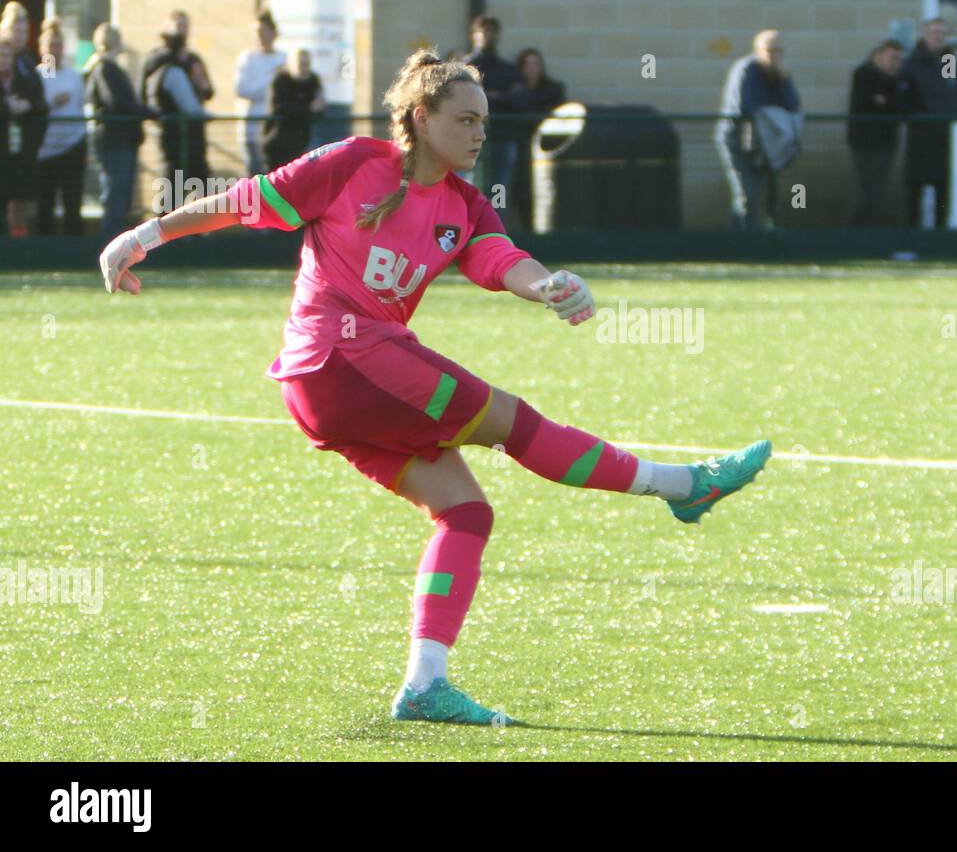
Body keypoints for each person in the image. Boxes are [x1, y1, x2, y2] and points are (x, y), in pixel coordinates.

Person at [98, 48, 772, 727]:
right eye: (466, 119)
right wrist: (143, 235)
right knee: (517, 425)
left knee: (465, 513)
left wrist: (547, 284)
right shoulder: (353, 162)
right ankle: (685, 486)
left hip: (331, 391)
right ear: (421, 118)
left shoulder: (464, 204)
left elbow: (498, 259)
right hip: (341, 357)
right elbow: (244, 202)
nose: (480, 133)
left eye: (484, 121)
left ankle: (425, 684)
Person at [715, 29, 800, 231]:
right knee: (746, 192)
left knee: (757, 191)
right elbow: (747, 105)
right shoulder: (747, 69)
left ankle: (745, 236)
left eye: (778, 50)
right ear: (758, 50)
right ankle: (743, 241)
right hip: (736, 136)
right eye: (769, 50)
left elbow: (792, 105)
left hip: (763, 140)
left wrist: (784, 81)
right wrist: (771, 110)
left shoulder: (780, 72)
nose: (774, 55)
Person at [84, 23, 154, 239]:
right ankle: (110, 245)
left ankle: (114, 244)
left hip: (120, 141)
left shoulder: (106, 68)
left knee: (119, 197)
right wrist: (149, 112)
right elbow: (118, 102)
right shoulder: (105, 68)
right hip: (115, 142)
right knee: (116, 196)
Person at [899, 18, 957, 230]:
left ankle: (940, 232)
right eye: (933, 32)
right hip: (921, 135)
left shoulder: (948, 60)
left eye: (941, 33)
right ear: (924, 34)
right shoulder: (913, 62)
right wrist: (919, 116)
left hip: (945, 135)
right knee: (915, 186)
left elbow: (954, 91)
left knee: (943, 186)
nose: (937, 36)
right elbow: (905, 98)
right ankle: (913, 233)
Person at [463, 15, 524, 232]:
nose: (488, 36)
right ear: (474, 35)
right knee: (468, 186)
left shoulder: (508, 69)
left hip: (501, 138)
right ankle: (466, 232)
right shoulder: (465, 68)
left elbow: (518, 98)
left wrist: (488, 95)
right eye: (484, 31)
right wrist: (498, 96)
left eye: (492, 31)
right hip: (470, 141)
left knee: (499, 188)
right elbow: (463, 98)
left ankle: (495, 232)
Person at [141, 11, 211, 190]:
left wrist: (202, 84)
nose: (182, 31)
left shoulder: (194, 59)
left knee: (201, 184)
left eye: (185, 26)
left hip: (194, 133)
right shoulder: (158, 58)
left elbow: (208, 91)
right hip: (171, 132)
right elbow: (146, 80)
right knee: (171, 185)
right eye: (178, 26)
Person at [0, 2, 49, 237]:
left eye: (23, 32)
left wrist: (28, 106)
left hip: (23, 147)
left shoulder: (29, 63)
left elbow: (42, 103)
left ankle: (19, 242)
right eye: (15, 32)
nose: (20, 37)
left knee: (23, 200)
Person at [35, 19, 88, 236]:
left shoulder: (73, 75)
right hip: (46, 149)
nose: (54, 49)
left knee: (72, 201)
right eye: (50, 45)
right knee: (45, 202)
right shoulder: (38, 76)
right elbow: (37, 105)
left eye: (58, 44)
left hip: (73, 144)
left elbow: (80, 106)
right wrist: (52, 103)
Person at [846, 40, 905, 227]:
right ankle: (853, 232)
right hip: (865, 143)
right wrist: (882, 102)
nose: (896, 63)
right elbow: (866, 103)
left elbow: (899, 107)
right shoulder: (864, 74)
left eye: (899, 59)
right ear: (879, 56)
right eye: (892, 57)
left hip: (886, 142)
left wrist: (884, 102)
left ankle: (867, 231)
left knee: (879, 191)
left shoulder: (898, 80)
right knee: (867, 191)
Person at [508, 47, 567, 229]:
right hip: (520, 148)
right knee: (520, 191)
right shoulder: (514, 91)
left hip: (544, 148)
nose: (532, 68)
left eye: (536, 64)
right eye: (528, 64)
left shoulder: (553, 89)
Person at [234, 10, 286, 174]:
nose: (259, 36)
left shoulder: (282, 59)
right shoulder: (247, 58)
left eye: (262, 31)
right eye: (256, 32)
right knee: (255, 180)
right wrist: (271, 83)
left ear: (273, 33)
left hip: (275, 132)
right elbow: (242, 89)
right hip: (252, 130)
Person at [261, 48, 325, 172]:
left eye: (307, 64)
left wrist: (316, 108)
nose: (304, 68)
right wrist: (308, 109)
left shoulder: (313, 80)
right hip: (278, 142)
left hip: (302, 141)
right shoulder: (281, 79)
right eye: (300, 64)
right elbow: (278, 107)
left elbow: (319, 108)